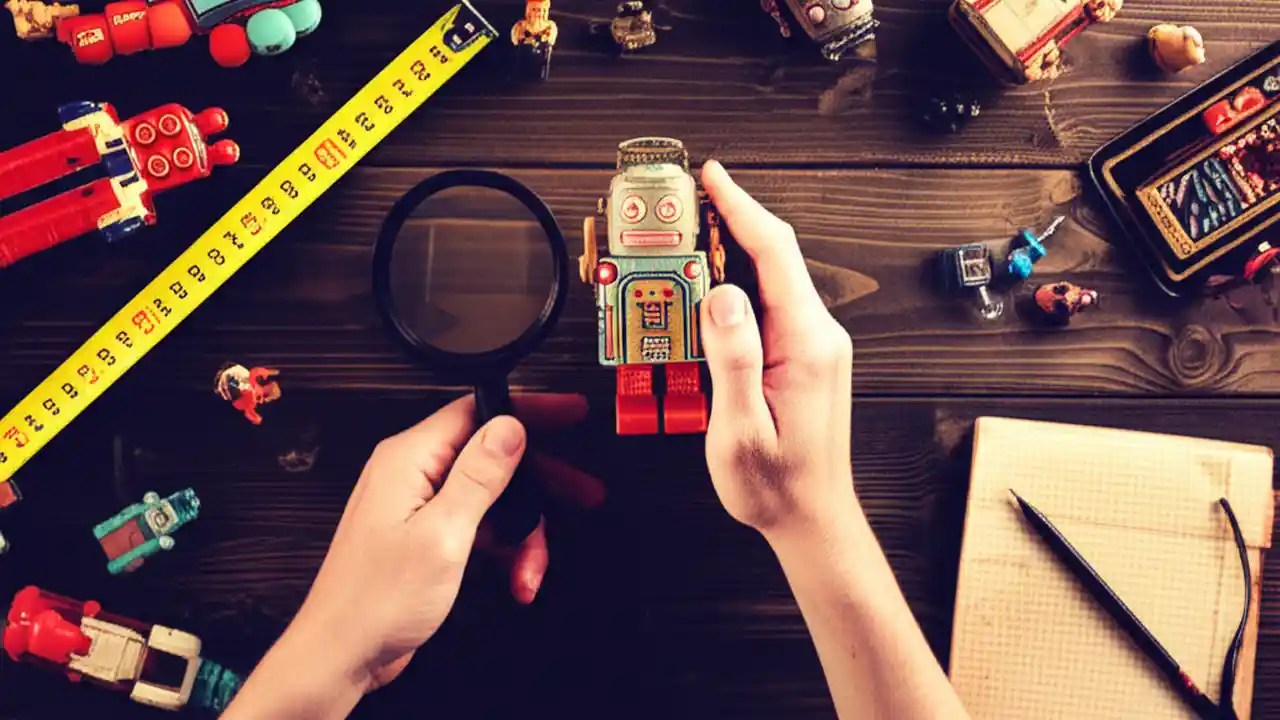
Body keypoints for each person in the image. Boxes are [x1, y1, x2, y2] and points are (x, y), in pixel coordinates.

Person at [222, 162, 970, 720]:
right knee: (639, 400)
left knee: (667, 397)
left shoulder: (686, 264)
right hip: (637, 379)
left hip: (674, 371)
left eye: (660, 208)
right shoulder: (612, 264)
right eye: (634, 206)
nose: (647, 216)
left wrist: (326, 661)